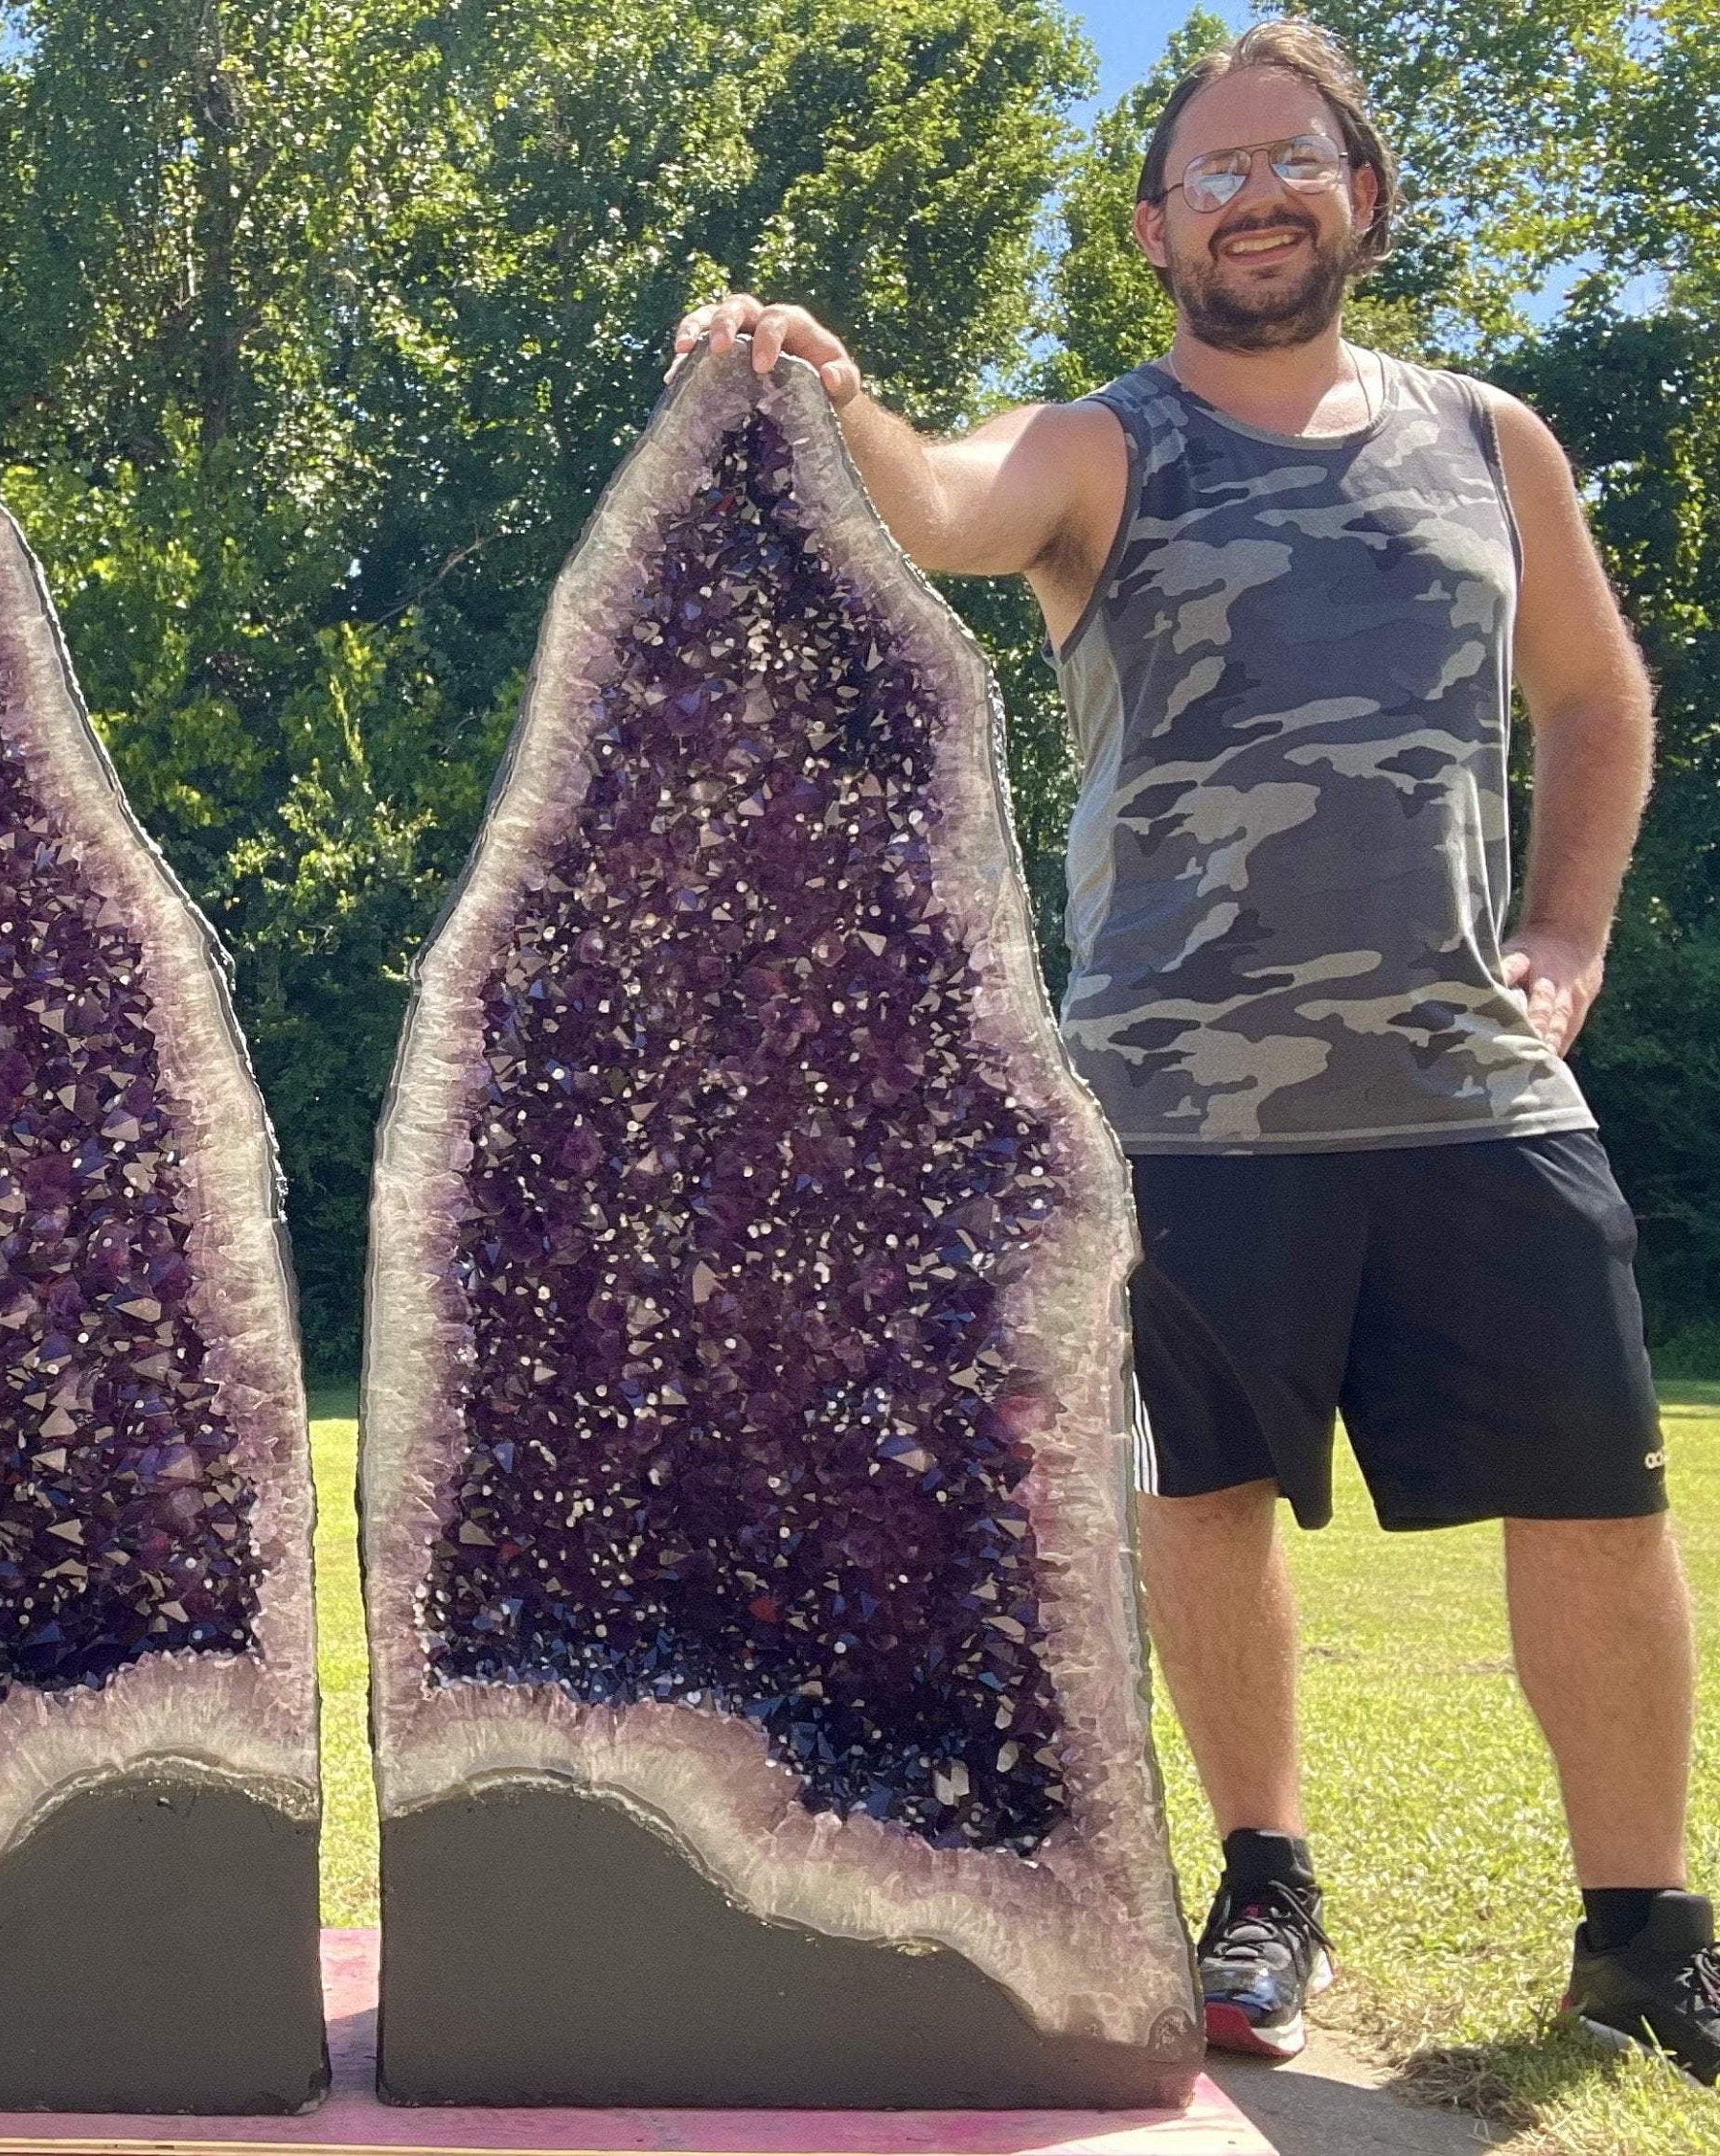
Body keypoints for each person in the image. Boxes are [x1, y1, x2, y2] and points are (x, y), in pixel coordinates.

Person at [671, 19, 1707, 2085]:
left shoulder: (1494, 441)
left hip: (1476, 1087)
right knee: (1204, 1499)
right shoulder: (1101, 442)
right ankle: (1266, 1878)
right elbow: (948, 508)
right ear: (1155, 228)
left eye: (1292, 159)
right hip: (1179, 1103)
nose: (1256, 195)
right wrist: (833, 389)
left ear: (1364, 197)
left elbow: (1596, 698)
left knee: (1598, 1502)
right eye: (1215, 170)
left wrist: (1572, 931)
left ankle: (1644, 1933)